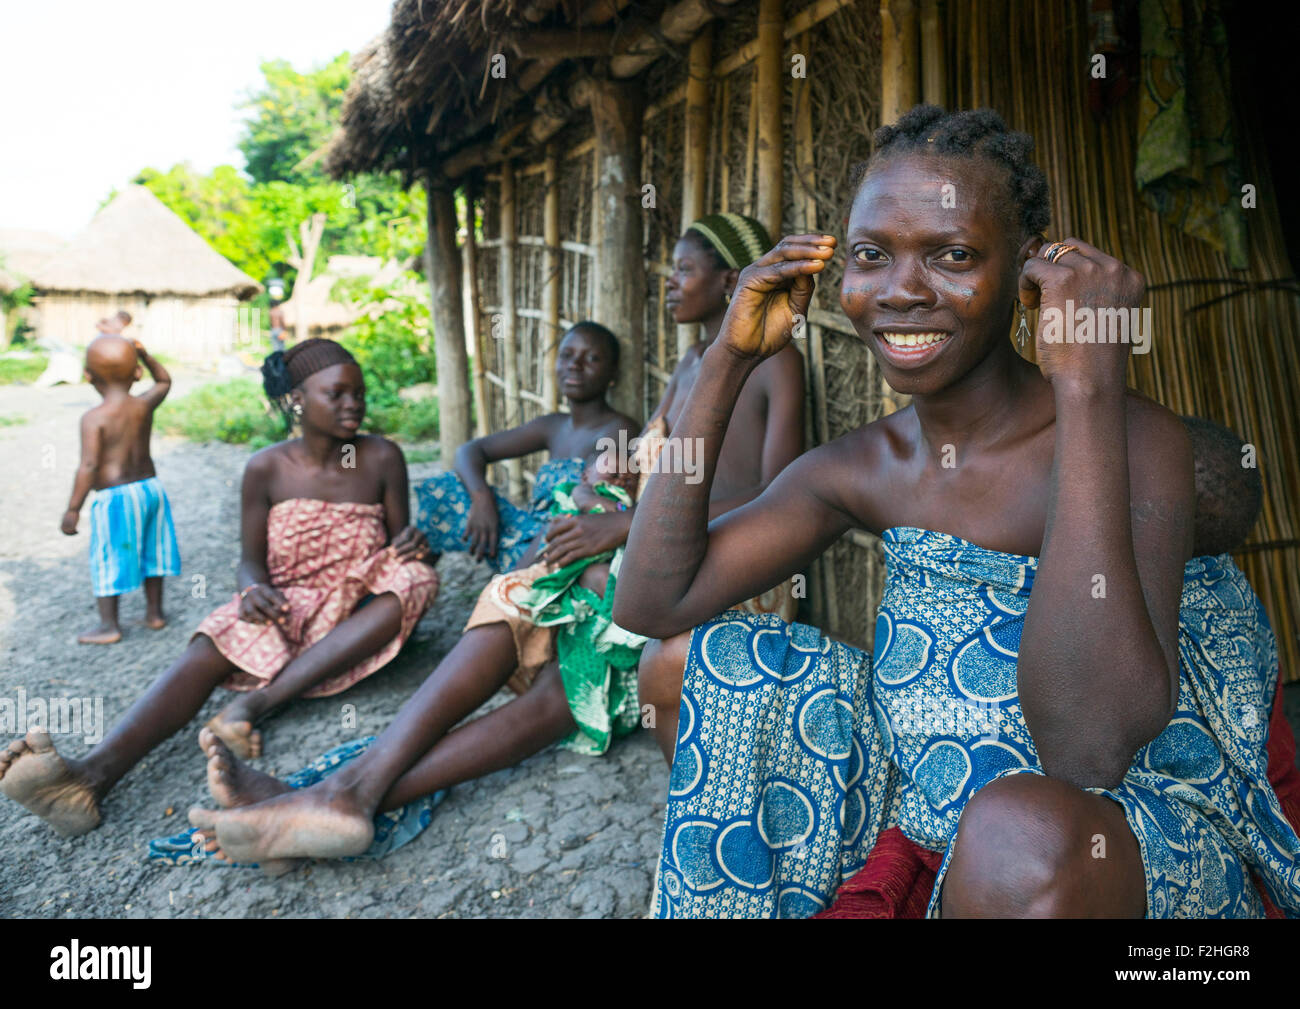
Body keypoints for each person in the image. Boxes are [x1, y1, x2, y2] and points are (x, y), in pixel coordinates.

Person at [619, 105, 1299, 918]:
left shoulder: (1131, 439)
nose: (904, 290)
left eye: (953, 255)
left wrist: (1085, 387)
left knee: (1021, 833)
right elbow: (652, 603)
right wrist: (728, 359)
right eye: (872, 255)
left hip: (1101, 826)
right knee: (684, 663)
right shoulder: (862, 467)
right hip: (921, 789)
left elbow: (1088, 750)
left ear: (1027, 271)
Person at [171, 216, 811, 865]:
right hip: (656, 553)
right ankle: (337, 797)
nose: (670, 282)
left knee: (546, 648)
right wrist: (602, 483)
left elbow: (779, 496)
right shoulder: (694, 359)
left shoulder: (775, 361)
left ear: (733, 281)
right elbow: (653, 458)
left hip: (723, 570)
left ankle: (336, 792)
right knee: (533, 631)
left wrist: (621, 524)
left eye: (685, 270)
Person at [0, 338, 438, 837]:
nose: (353, 405)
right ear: (296, 398)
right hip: (288, 608)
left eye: (358, 394)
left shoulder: (379, 457)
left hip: (358, 614)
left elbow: (402, 548)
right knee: (213, 640)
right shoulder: (267, 468)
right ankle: (90, 778)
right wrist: (253, 592)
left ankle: (254, 705)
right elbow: (250, 563)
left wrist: (417, 545)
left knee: (414, 577)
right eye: (336, 394)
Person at [414, 321, 639, 572]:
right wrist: (482, 499)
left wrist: (514, 580)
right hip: (521, 535)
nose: (575, 365)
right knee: (446, 488)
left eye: (592, 358)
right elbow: (470, 451)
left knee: (565, 514)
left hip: (560, 548)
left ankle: (510, 593)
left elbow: (587, 505)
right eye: (567, 355)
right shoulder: (553, 425)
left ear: (612, 374)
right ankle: (414, 577)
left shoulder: (620, 429)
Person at [60, 334, 179, 644]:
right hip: (151, 490)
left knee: (108, 556)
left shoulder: (94, 418)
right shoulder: (143, 405)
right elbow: (165, 382)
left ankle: (109, 625)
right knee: (153, 551)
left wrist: (74, 508)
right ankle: (155, 614)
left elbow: (88, 466)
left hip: (115, 498)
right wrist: (147, 354)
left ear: (88, 375)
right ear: (137, 372)